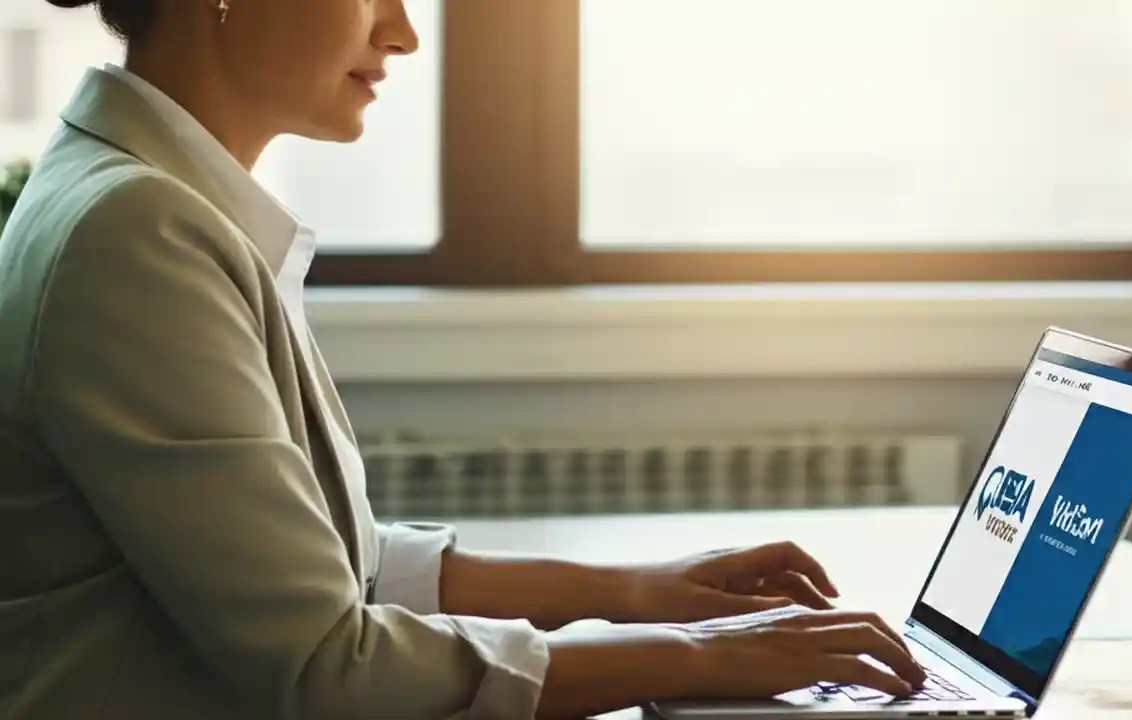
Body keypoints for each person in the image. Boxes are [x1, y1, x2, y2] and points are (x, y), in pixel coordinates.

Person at [0, 0, 926, 717]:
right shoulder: (140, 233)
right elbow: (326, 666)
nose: (402, 34)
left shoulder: (142, 199)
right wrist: (713, 657)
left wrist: (637, 592)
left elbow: (333, 567)